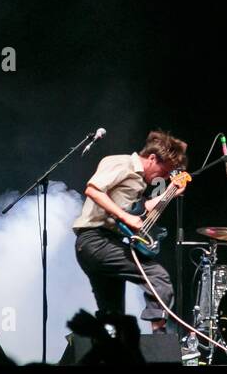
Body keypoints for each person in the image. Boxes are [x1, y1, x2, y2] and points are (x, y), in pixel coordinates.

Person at [73, 130, 188, 333]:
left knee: (113, 316)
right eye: (164, 170)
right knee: (158, 278)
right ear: (152, 158)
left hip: (106, 244)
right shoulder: (122, 162)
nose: (161, 176)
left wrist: (171, 191)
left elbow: (142, 211)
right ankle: (159, 338)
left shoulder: (139, 181)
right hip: (96, 240)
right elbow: (92, 189)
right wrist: (125, 217)